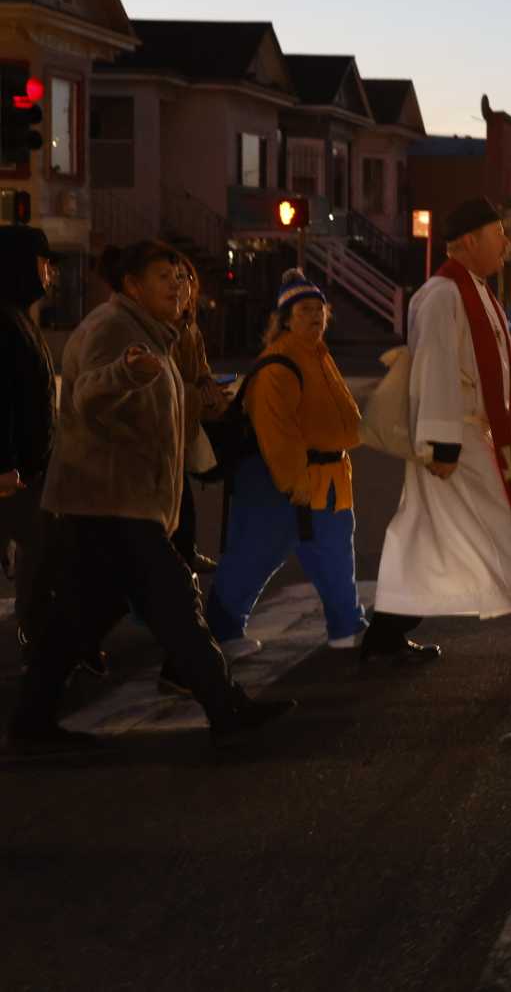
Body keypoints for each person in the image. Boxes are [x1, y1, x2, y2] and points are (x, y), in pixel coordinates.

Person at [8, 240, 294, 754]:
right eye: (165, 277)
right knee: (176, 603)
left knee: (82, 617)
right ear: (133, 285)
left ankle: (31, 722)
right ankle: (225, 707)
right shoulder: (112, 328)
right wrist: (126, 373)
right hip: (109, 500)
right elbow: (87, 393)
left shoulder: (153, 334)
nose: (178, 286)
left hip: (116, 501)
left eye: (182, 278)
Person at [361, 198, 511, 667]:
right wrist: (443, 441)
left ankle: (385, 635)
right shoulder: (443, 295)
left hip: (467, 437)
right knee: (507, 525)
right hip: (456, 440)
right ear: (468, 242)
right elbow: (435, 368)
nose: (507, 243)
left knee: (427, 537)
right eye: (498, 234)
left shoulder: (478, 293)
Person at [202, 271, 369, 655]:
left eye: (319, 309)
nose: (314, 316)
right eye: (304, 309)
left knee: (335, 555)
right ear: (285, 318)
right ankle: (221, 632)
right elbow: (278, 435)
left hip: (327, 479)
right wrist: (296, 486)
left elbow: (345, 416)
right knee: (254, 557)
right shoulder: (280, 364)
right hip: (290, 484)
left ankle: (347, 627)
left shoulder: (319, 355)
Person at [1, 225, 60, 668]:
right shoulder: (5, 320)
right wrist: (5, 464)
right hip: (12, 476)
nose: (50, 273)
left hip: (28, 469)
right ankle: (40, 646)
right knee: (44, 553)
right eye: (43, 263)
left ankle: (39, 641)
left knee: (44, 556)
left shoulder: (18, 316)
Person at [168, 254, 229, 573]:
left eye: (187, 279)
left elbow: (202, 369)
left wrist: (209, 387)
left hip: (184, 428)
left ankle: (184, 556)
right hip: (162, 433)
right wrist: (199, 395)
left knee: (183, 502)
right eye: (173, 279)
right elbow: (164, 386)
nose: (182, 286)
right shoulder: (157, 329)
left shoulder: (190, 329)